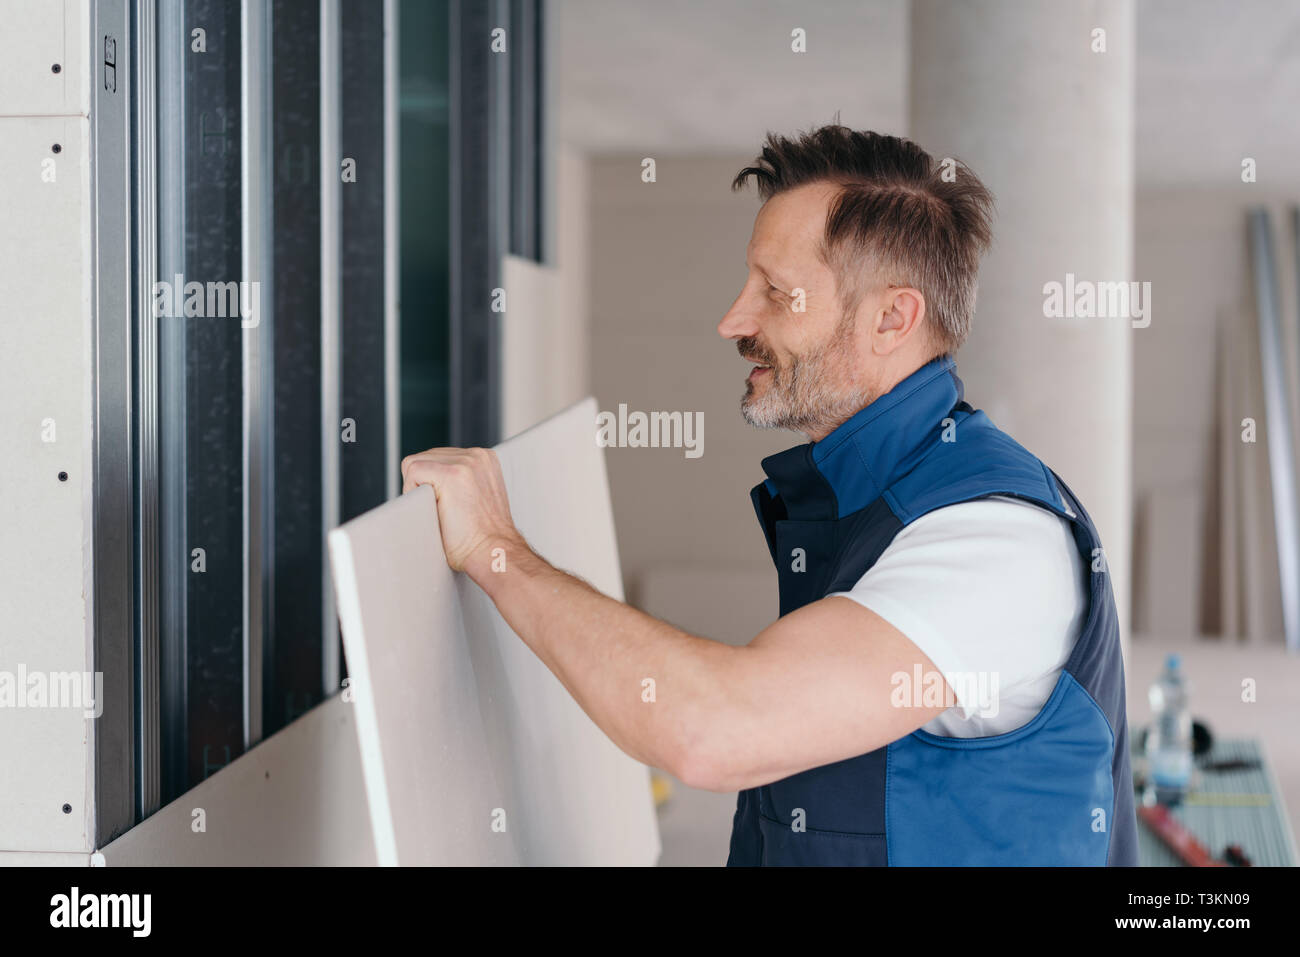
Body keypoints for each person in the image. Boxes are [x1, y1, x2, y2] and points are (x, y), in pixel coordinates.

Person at [401, 125, 1137, 866]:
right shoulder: (867, 493)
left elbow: (715, 730)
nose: (734, 320)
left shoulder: (993, 544)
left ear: (892, 318)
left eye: (778, 294)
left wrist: (497, 550)